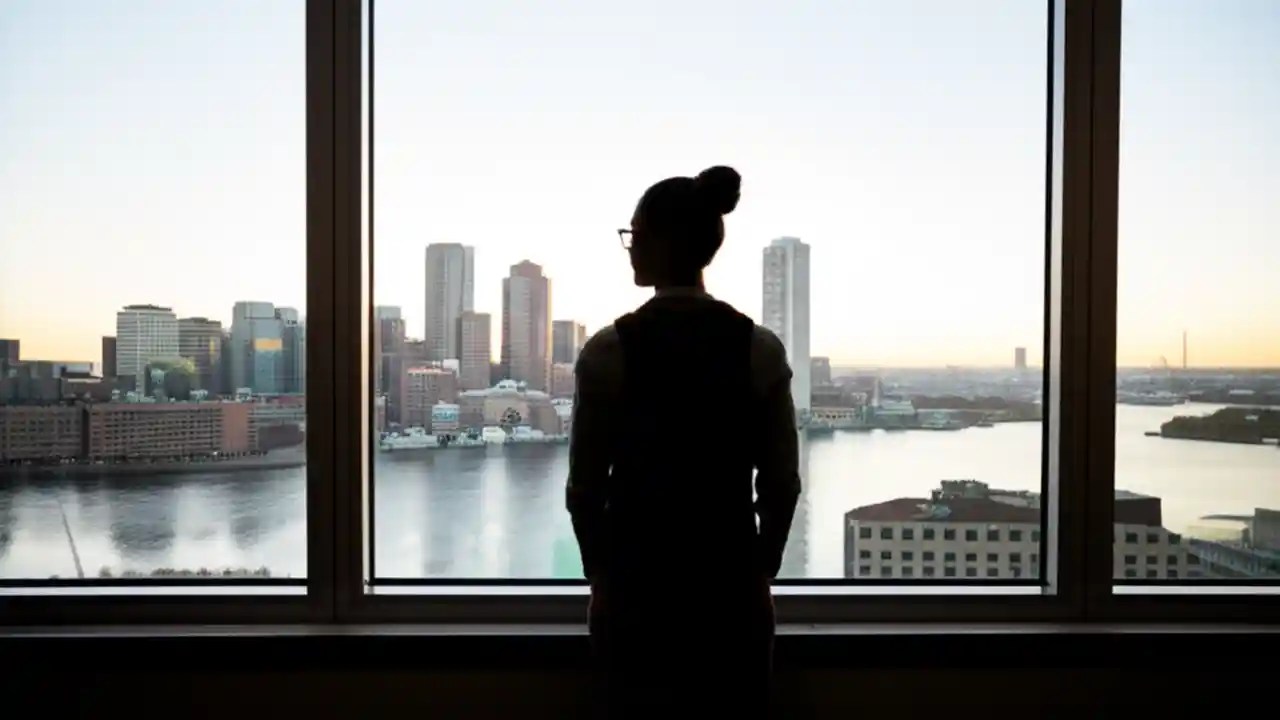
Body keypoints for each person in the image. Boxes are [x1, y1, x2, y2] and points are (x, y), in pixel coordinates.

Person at [566, 165, 802, 716]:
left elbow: (584, 487)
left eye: (635, 236)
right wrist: (759, 568)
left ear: (660, 242)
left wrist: (600, 572)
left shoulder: (608, 351)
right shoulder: (759, 350)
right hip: (729, 591)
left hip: (634, 590)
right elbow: (781, 483)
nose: (629, 249)